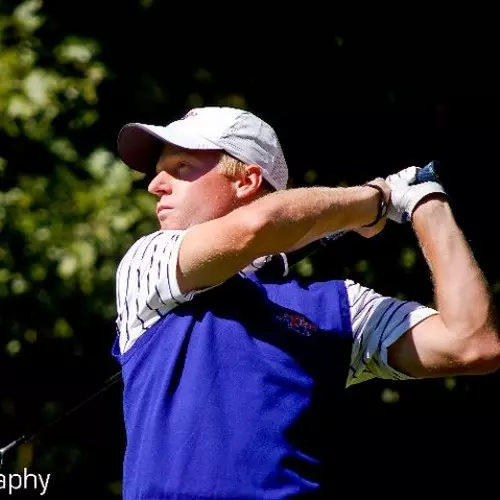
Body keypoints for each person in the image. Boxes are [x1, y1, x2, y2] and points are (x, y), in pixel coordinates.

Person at [112, 106, 500, 499]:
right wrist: (373, 200)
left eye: (181, 166)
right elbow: (254, 229)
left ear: (246, 180)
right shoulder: (149, 262)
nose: (155, 185)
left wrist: (426, 203)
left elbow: (471, 342)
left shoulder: (340, 306)